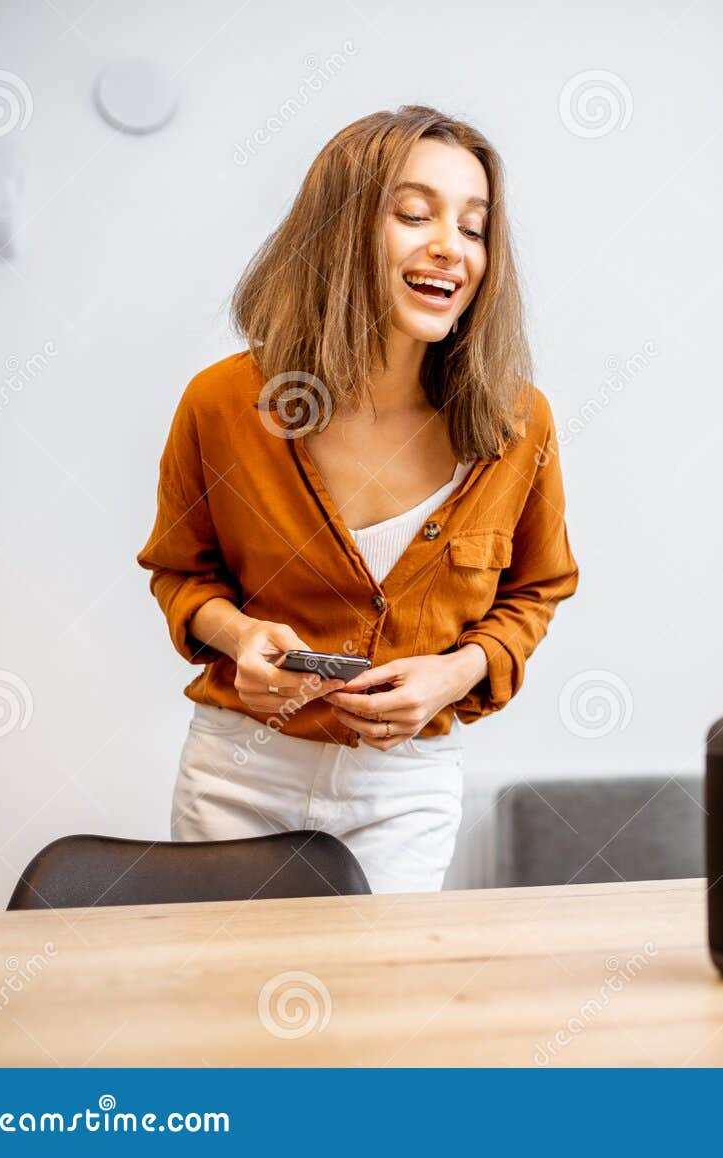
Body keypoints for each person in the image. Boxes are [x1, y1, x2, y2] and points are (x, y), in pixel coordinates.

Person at [136, 105, 579, 894]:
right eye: (414, 214)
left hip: (403, 787)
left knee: (381, 1009)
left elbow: (535, 592)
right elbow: (180, 574)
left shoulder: (519, 421)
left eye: (475, 229)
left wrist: (455, 674)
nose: (451, 246)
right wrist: (237, 636)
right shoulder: (222, 403)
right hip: (240, 773)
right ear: (339, 231)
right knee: (226, 1005)